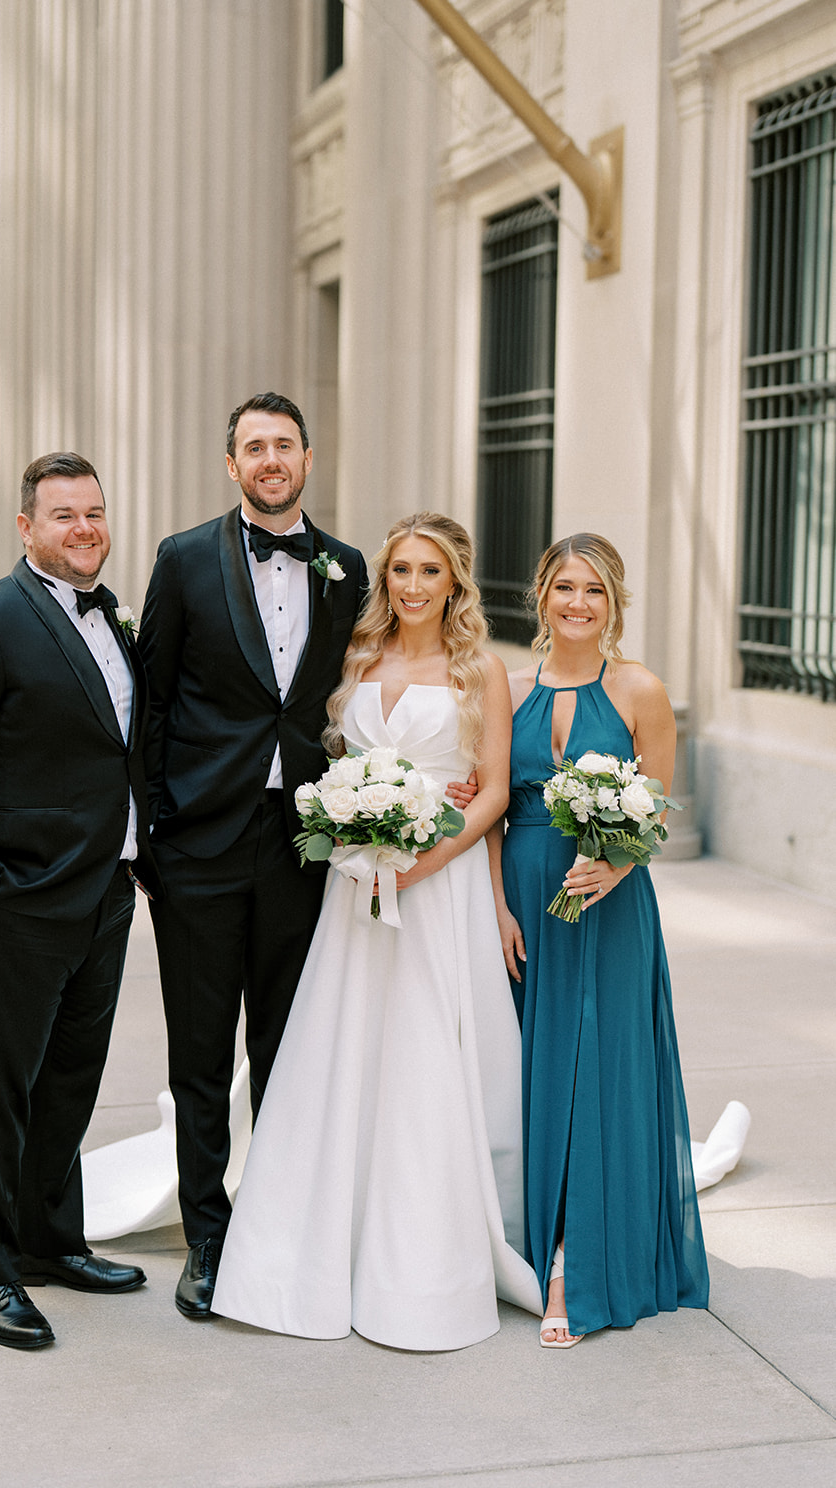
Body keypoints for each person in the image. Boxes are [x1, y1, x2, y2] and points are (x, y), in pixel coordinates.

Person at [211, 513, 544, 1349]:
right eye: (400, 570)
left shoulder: (481, 670)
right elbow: (329, 765)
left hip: (438, 883)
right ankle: (324, 1235)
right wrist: (348, 828)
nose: (413, 586)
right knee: (348, 1044)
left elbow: (493, 791)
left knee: (424, 1048)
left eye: (430, 571)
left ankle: (420, 1262)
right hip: (355, 883)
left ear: (455, 581)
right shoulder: (357, 657)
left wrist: (428, 862)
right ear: (384, 579)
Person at [0, 452, 162, 1351]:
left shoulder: (114, 617)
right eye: (63, 515)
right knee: (1, 1089)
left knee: (69, 1080)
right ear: (26, 527)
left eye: (93, 512)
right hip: (19, 900)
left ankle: (50, 1241)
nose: (84, 528)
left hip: (106, 892)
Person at [138, 392, 369, 1320]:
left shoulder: (346, 568)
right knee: (200, 1054)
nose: (270, 459)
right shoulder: (183, 559)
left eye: (284, 445)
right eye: (253, 447)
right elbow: (151, 703)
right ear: (231, 465)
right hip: (198, 843)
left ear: (307, 458)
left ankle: (278, 1226)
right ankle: (207, 1235)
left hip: (303, 846)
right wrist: (149, 833)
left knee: (288, 1046)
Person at [487, 533, 710, 1347]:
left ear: (613, 602)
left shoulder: (639, 689)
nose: (577, 603)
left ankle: (573, 1269)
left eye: (593, 590)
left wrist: (615, 866)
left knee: (596, 1072)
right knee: (533, 1069)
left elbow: (656, 807)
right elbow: (489, 809)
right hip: (523, 898)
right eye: (564, 587)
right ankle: (529, 1238)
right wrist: (496, 909)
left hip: (608, 905)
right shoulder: (506, 688)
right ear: (540, 595)